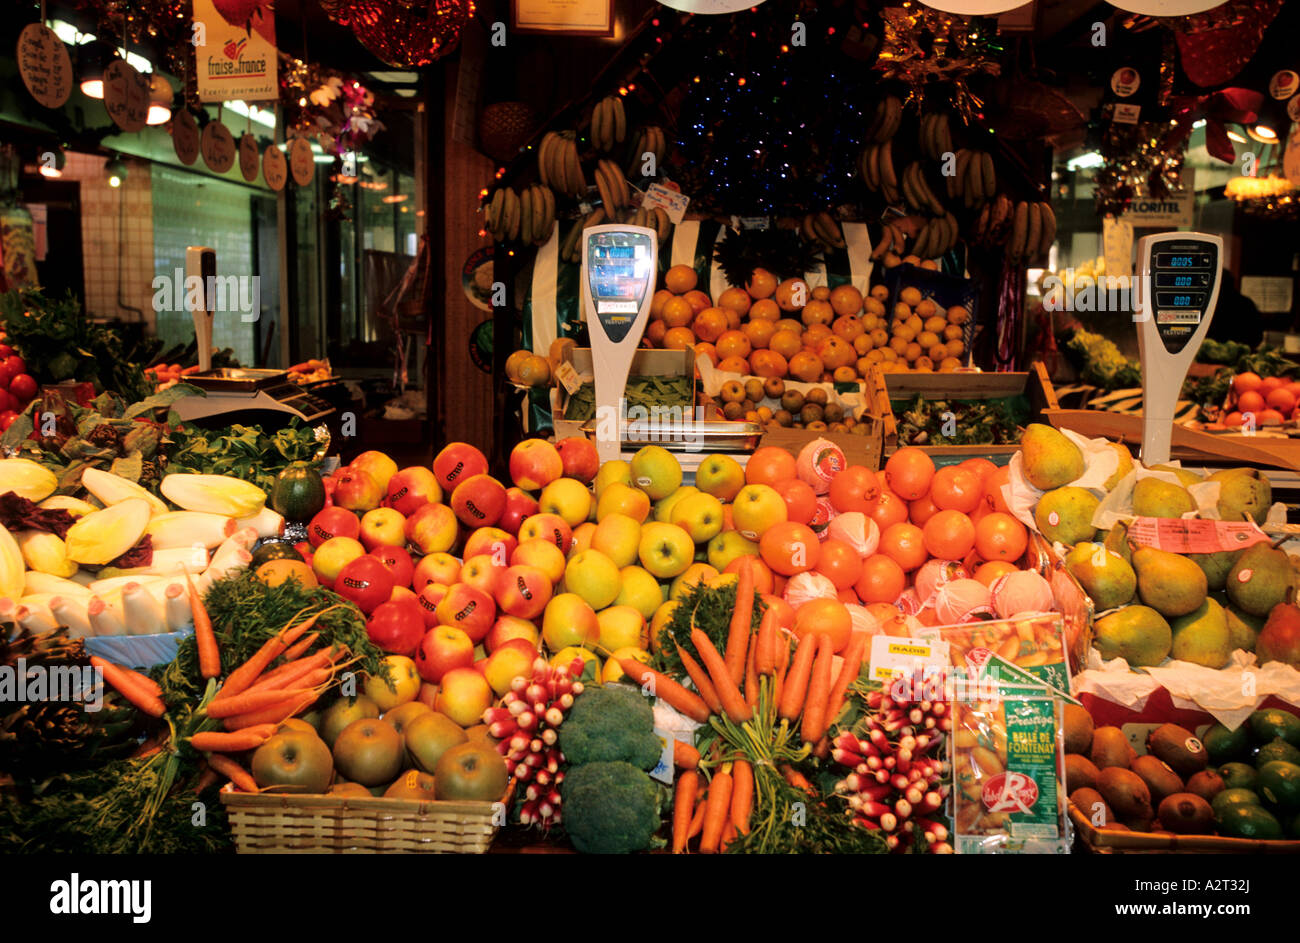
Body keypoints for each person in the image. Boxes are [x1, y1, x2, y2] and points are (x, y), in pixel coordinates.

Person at [1206, 267, 1263, 349]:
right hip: (1240, 355)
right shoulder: (1246, 303)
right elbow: (1257, 336)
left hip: (1210, 354)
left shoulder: (1210, 305)